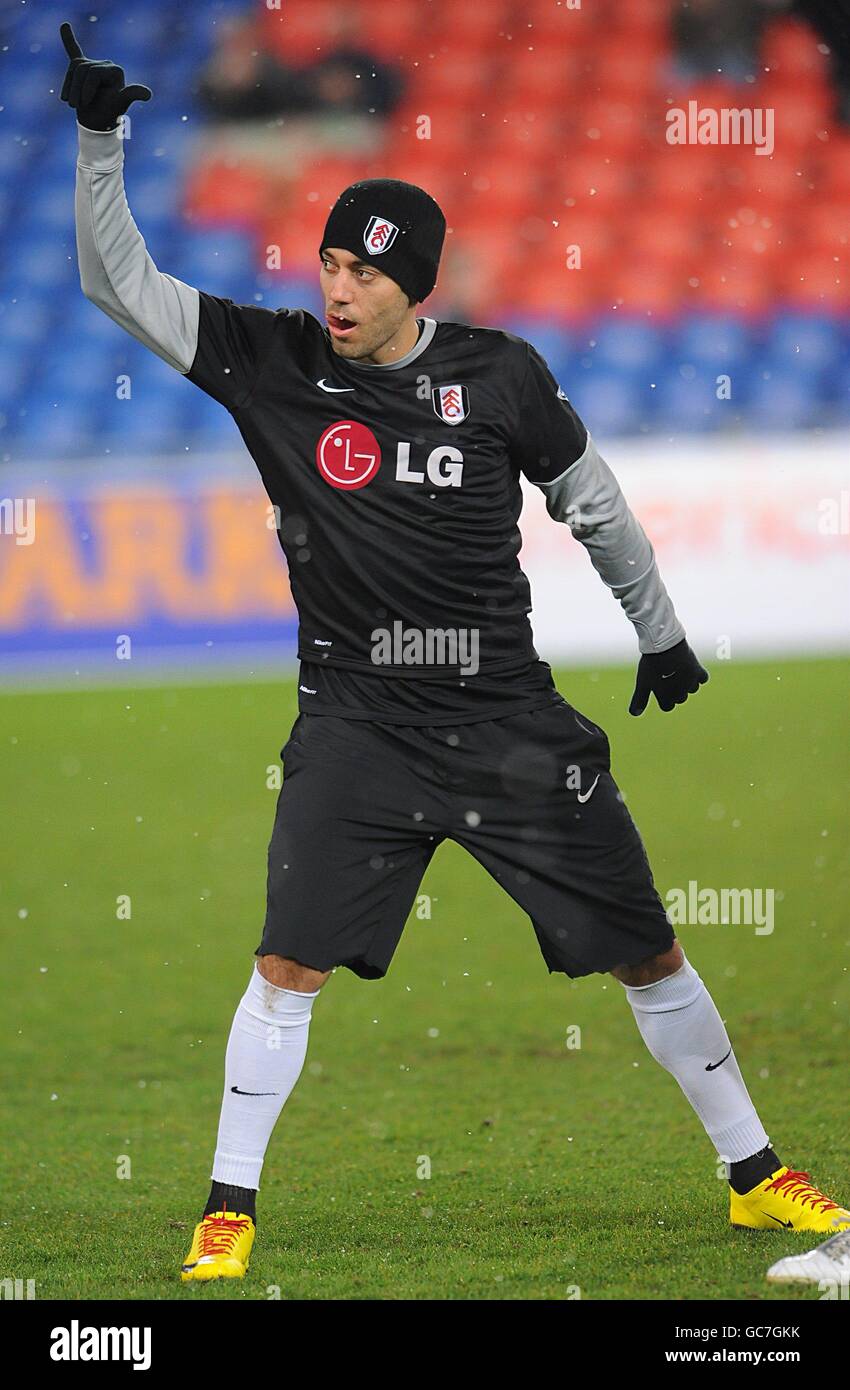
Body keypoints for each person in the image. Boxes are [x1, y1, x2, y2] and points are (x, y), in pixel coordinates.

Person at [59, 23, 850, 1284]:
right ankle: (228, 1206)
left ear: (413, 283)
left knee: (649, 946)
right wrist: (100, 142)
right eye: (327, 263)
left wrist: (660, 633)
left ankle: (756, 1176)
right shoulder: (273, 362)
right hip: (356, 729)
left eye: (364, 273)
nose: (339, 288)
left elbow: (591, 496)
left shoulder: (499, 376)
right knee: (286, 961)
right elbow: (119, 284)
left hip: (509, 726)